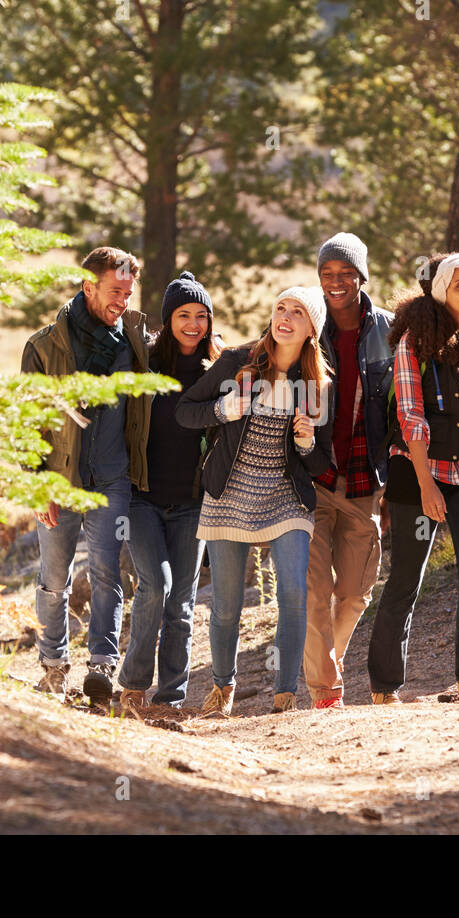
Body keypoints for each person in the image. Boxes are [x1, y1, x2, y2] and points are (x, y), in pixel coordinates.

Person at [367, 252, 459, 704]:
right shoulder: (414, 341)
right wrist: (427, 486)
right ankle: (384, 685)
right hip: (416, 469)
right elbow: (411, 417)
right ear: (441, 293)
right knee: (407, 577)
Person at [176, 287, 333, 716]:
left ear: (311, 329)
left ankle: (285, 695)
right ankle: (222, 688)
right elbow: (186, 410)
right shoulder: (237, 363)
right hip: (229, 494)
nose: (285, 317)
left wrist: (306, 441)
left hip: (285, 498)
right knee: (226, 606)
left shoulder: (315, 384)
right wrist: (225, 409)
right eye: (281, 308)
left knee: (293, 593)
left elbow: (321, 463)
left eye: (297, 312)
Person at [20, 246, 151, 705]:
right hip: (58, 478)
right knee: (54, 578)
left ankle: (101, 665)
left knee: (106, 573)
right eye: (116, 291)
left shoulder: (132, 343)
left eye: (129, 293)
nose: (123, 301)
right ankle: (53, 666)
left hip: (113, 477)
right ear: (87, 285)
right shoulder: (43, 347)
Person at [118, 272, 221, 711]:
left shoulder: (217, 370)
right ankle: (134, 685)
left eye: (201, 316)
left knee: (181, 602)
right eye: (184, 315)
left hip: (192, 505)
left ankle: (170, 697)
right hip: (142, 499)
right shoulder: (145, 365)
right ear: (169, 319)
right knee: (155, 586)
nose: (193, 324)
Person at [305, 232, 394, 709]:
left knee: (356, 592)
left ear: (361, 277)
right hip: (312, 480)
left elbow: (405, 399)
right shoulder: (306, 328)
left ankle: (328, 663)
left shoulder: (390, 330)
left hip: (364, 479)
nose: (335, 282)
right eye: (327, 274)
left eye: (345, 273)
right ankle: (325, 690)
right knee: (315, 591)